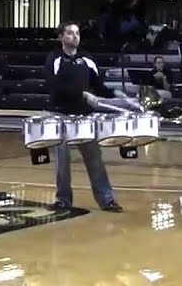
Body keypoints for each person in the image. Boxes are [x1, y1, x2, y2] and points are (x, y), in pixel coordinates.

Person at [44, 21, 124, 212]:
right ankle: (63, 200)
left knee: (95, 160)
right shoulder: (54, 58)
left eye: (77, 33)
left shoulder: (87, 58)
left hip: (85, 118)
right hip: (60, 116)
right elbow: (55, 85)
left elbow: (98, 85)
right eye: (70, 33)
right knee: (62, 163)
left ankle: (106, 200)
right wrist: (82, 95)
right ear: (61, 37)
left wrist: (116, 95)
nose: (75, 37)